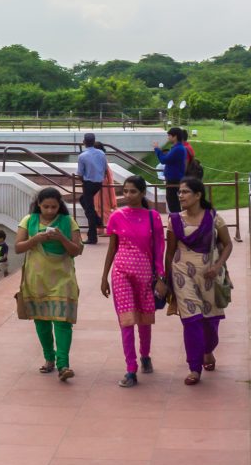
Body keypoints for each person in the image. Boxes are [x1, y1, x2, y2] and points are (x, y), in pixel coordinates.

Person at [165, 177, 232, 384]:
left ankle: (208, 350)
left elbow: (228, 244)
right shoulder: (175, 220)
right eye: (179, 192)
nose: (180, 195)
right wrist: (166, 280)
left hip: (209, 275)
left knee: (210, 322)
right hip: (182, 273)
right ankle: (194, 368)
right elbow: (170, 252)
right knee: (191, 321)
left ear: (198, 195)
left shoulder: (214, 218)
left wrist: (217, 265)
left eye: (185, 192)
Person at [101, 176, 165, 387]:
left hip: (145, 274)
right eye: (125, 191)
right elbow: (112, 248)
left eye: (133, 191)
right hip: (121, 273)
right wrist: (104, 277)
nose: (128, 195)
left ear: (142, 192)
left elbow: (159, 249)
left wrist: (160, 276)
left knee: (144, 319)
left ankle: (145, 354)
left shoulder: (152, 217)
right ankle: (131, 369)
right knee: (127, 320)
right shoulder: (116, 216)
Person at [14, 186, 83, 380]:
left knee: (63, 321)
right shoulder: (29, 221)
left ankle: (63, 364)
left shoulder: (68, 222)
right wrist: (35, 239)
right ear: (38, 205)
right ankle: (49, 359)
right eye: (46, 207)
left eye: (54, 207)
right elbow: (18, 248)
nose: (50, 211)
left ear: (59, 205)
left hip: (62, 277)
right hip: (37, 278)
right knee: (41, 321)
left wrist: (61, 237)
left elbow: (75, 250)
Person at [75, 132, 109, 243]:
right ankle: (98, 221)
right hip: (98, 183)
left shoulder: (82, 156)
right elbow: (104, 168)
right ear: (94, 142)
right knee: (83, 200)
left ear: (84, 142)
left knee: (89, 209)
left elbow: (80, 173)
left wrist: (83, 181)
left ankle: (92, 237)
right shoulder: (101, 153)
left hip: (88, 183)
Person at [155, 128, 199, 213]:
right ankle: (177, 221)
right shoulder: (177, 148)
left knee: (173, 203)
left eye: (169, 136)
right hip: (174, 179)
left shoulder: (178, 149)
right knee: (173, 201)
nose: (168, 138)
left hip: (174, 180)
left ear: (175, 137)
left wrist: (157, 150)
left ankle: (177, 222)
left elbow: (164, 160)